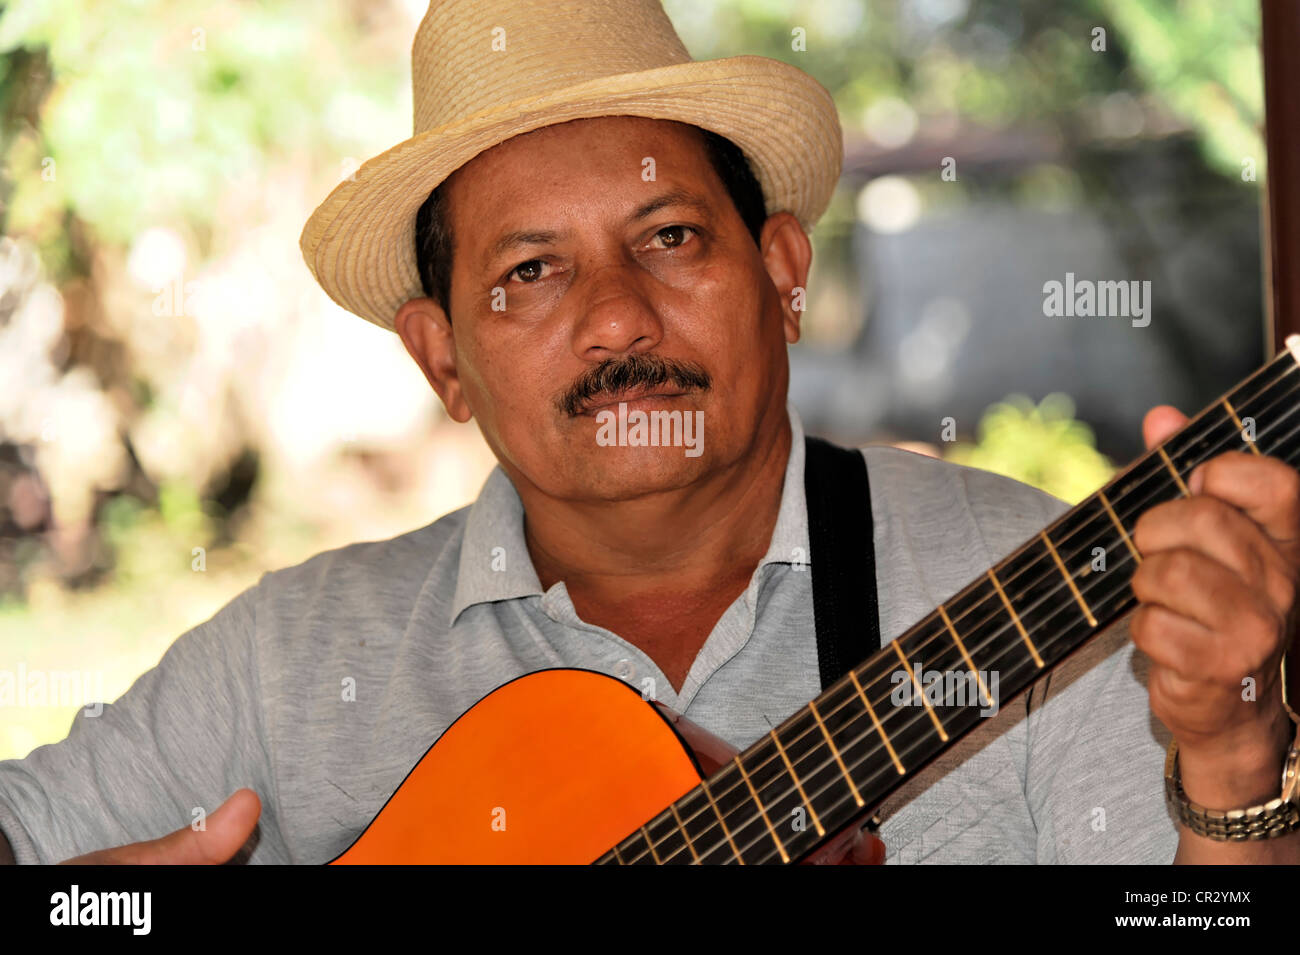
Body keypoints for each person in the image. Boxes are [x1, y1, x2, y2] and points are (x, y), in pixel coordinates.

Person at [2, 0, 1298, 865]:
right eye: (530, 271)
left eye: (669, 238)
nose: (617, 317)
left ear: (784, 276)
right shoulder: (285, 666)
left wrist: (1236, 771)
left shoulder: (1047, 599)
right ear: (443, 358)